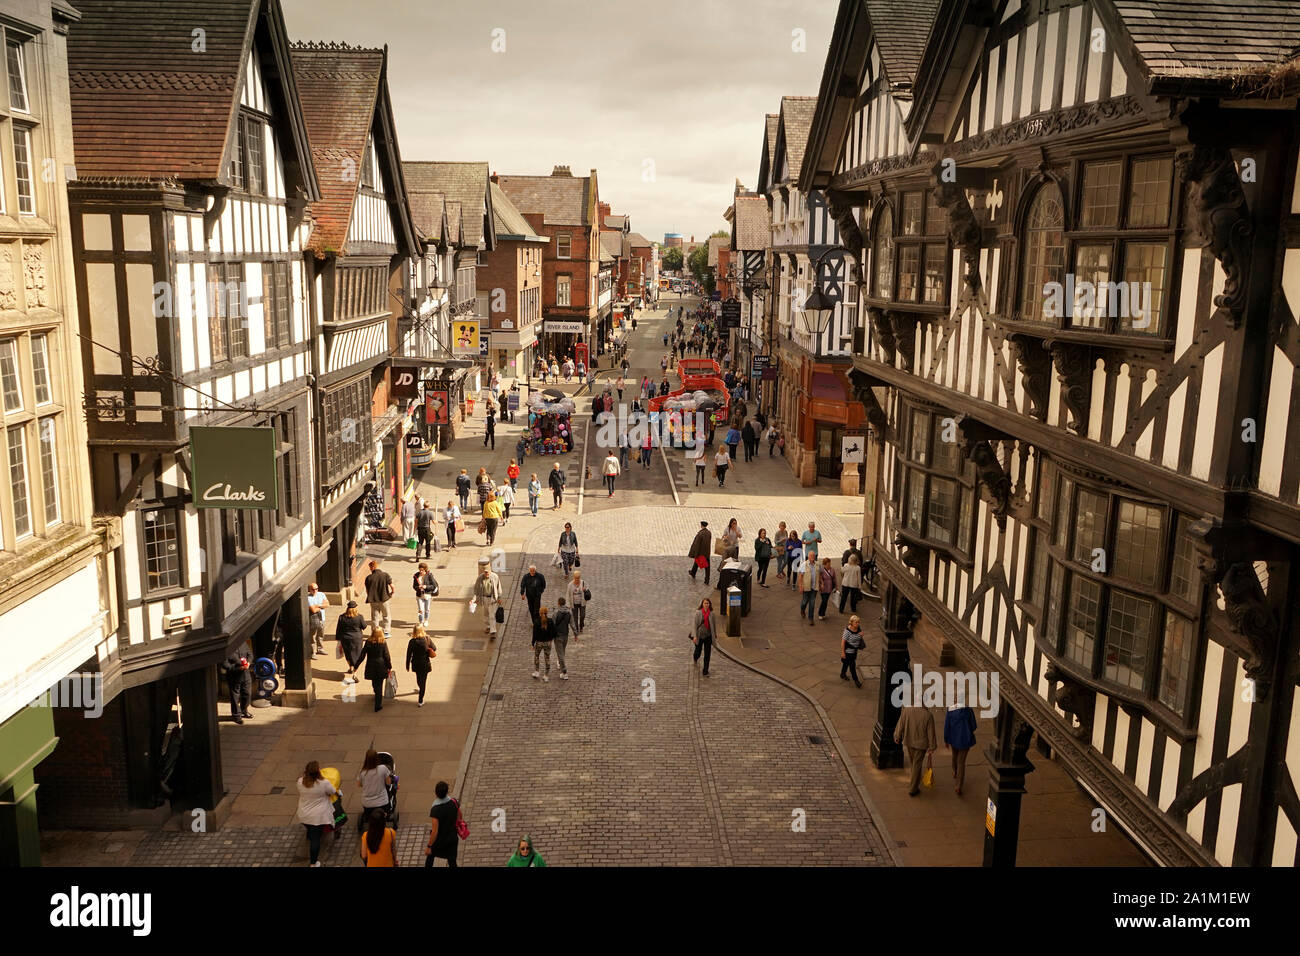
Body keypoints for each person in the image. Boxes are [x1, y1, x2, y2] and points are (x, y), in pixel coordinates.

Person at [296, 761, 338, 867]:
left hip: (304, 814)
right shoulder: (323, 783)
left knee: (311, 831)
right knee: (316, 840)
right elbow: (332, 791)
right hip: (317, 817)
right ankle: (313, 863)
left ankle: (310, 834)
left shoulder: (300, 782)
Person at [894, 704, 938, 797]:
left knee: (913, 762)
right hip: (921, 745)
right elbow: (931, 733)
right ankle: (913, 789)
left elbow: (900, 724)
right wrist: (932, 746)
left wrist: (897, 736)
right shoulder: (928, 715)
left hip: (909, 741)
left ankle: (915, 779)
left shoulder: (907, 710)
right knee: (917, 764)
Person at [355, 628, 393, 712]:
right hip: (381, 665)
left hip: (371, 665)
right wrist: (389, 666)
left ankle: (377, 695)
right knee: (379, 684)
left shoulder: (368, 642)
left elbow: (362, 655)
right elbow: (386, 655)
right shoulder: (383, 642)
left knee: (374, 683)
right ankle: (378, 704)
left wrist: (356, 665)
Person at [425, 780, 461, 868]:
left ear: (436, 793)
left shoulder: (436, 810)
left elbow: (435, 831)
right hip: (452, 838)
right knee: (452, 862)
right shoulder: (454, 802)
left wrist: (429, 846)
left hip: (440, 841)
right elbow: (459, 816)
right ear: (447, 792)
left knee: (430, 859)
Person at [355, 749, 394, 828]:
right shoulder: (383, 769)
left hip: (367, 803)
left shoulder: (362, 772)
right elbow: (388, 783)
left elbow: (359, 785)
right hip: (382, 802)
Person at [220, 646, 253, 723]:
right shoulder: (227, 648)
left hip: (246, 674)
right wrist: (236, 668)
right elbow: (224, 664)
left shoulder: (243, 643)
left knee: (247, 693)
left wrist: (249, 662)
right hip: (234, 676)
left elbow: (250, 654)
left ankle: (244, 710)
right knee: (235, 696)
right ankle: (236, 716)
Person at [406, 624, 435, 707]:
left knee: (418, 678)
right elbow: (434, 648)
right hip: (425, 663)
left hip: (416, 663)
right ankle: (420, 700)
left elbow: (408, 654)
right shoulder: (427, 639)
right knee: (423, 681)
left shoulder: (412, 641)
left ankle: (420, 688)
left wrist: (407, 665)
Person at [337, 600, 367, 682]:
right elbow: (364, 626)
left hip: (345, 638)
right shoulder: (359, 617)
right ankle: (354, 673)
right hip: (357, 638)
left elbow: (339, 629)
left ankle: (350, 667)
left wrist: (338, 638)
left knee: (348, 654)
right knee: (356, 655)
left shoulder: (342, 617)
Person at [691, 596, 718, 677]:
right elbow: (695, 625)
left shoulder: (712, 614)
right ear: (702, 604)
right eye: (705, 603)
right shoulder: (698, 613)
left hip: (708, 636)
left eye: (708, 603)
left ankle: (705, 671)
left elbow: (713, 625)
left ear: (709, 604)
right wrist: (695, 636)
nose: (706, 604)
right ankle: (695, 657)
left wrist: (715, 634)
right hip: (699, 635)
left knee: (707, 654)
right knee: (698, 651)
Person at [364, 560, 394, 634]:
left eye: (370, 568)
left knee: (375, 618)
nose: (370, 569)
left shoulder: (368, 578)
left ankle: (375, 632)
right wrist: (392, 593)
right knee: (386, 616)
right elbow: (392, 586)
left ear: (373, 567)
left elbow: (367, 591)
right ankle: (386, 632)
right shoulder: (385, 575)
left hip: (373, 600)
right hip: (384, 599)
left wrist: (370, 596)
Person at [474, 563, 502, 638]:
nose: (486, 574)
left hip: (492, 598)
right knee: (486, 614)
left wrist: (499, 597)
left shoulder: (495, 577)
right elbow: (476, 589)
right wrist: (475, 599)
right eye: (485, 572)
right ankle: (488, 626)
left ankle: (493, 631)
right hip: (484, 598)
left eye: (488, 572)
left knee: (492, 615)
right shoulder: (480, 578)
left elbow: (498, 587)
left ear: (490, 571)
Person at [531, 606, 556, 682]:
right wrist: (551, 638)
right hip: (548, 642)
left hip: (539, 642)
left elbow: (534, 634)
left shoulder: (537, 622)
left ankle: (537, 671)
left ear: (540, 613)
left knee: (536, 656)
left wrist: (532, 643)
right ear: (547, 612)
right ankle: (546, 675)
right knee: (547, 658)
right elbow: (554, 632)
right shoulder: (550, 621)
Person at [840, 615, 865, 687]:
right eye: (856, 622)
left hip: (854, 652)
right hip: (848, 652)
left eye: (858, 622)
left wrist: (861, 635)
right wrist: (843, 653)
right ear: (851, 622)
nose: (858, 624)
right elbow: (843, 642)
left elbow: (860, 635)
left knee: (846, 663)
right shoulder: (847, 631)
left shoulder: (858, 628)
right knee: (852, 666)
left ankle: (842, 674)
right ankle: (856, 680)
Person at [552, 597, 573, 680]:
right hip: (565, 635)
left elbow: (552, 625)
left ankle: (564, 672)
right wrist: (575, 634)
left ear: (558, 603)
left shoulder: (556, 613)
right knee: (562, 651)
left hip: (558, 636)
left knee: (560, 654)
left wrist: (550, 636)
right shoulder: (569, 612)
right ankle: (560, 664)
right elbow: (572, 623)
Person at [687, 520, 712, 585]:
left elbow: (697, 544)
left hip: (701, 552)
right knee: (706, 567)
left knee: (698, 562)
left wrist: (695, 553)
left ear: (701, 525)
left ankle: (693, 573)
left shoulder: (700, 534)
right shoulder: (709, 533)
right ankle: (706, 579)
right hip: (707, 552)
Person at [307, 583, 328, 655]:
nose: (315, 590)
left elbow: (327, 604)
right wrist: (322, 606)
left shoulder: (321, 594)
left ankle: (320, 649)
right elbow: (313, 610)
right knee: (312, 636)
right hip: (313, 620)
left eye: (316, 589)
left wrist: (317, 605)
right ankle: (312, 652)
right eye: (313, 589)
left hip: (322, 618)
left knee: (321, 635)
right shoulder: (308, 598)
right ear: (309, 590)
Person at [797, 558, 818, 626]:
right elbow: (800, 576)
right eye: (811, 556)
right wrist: (800, 586)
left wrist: (821, 583)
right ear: (808, 557)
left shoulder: (817, 564)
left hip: (814, 587)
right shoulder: (804, 564)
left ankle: (811, 619)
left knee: (812, 603)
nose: (812, 557)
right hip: (806, 587)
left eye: (813, 556)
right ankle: (802, 610)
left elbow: (819, 575)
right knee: (804, 601)